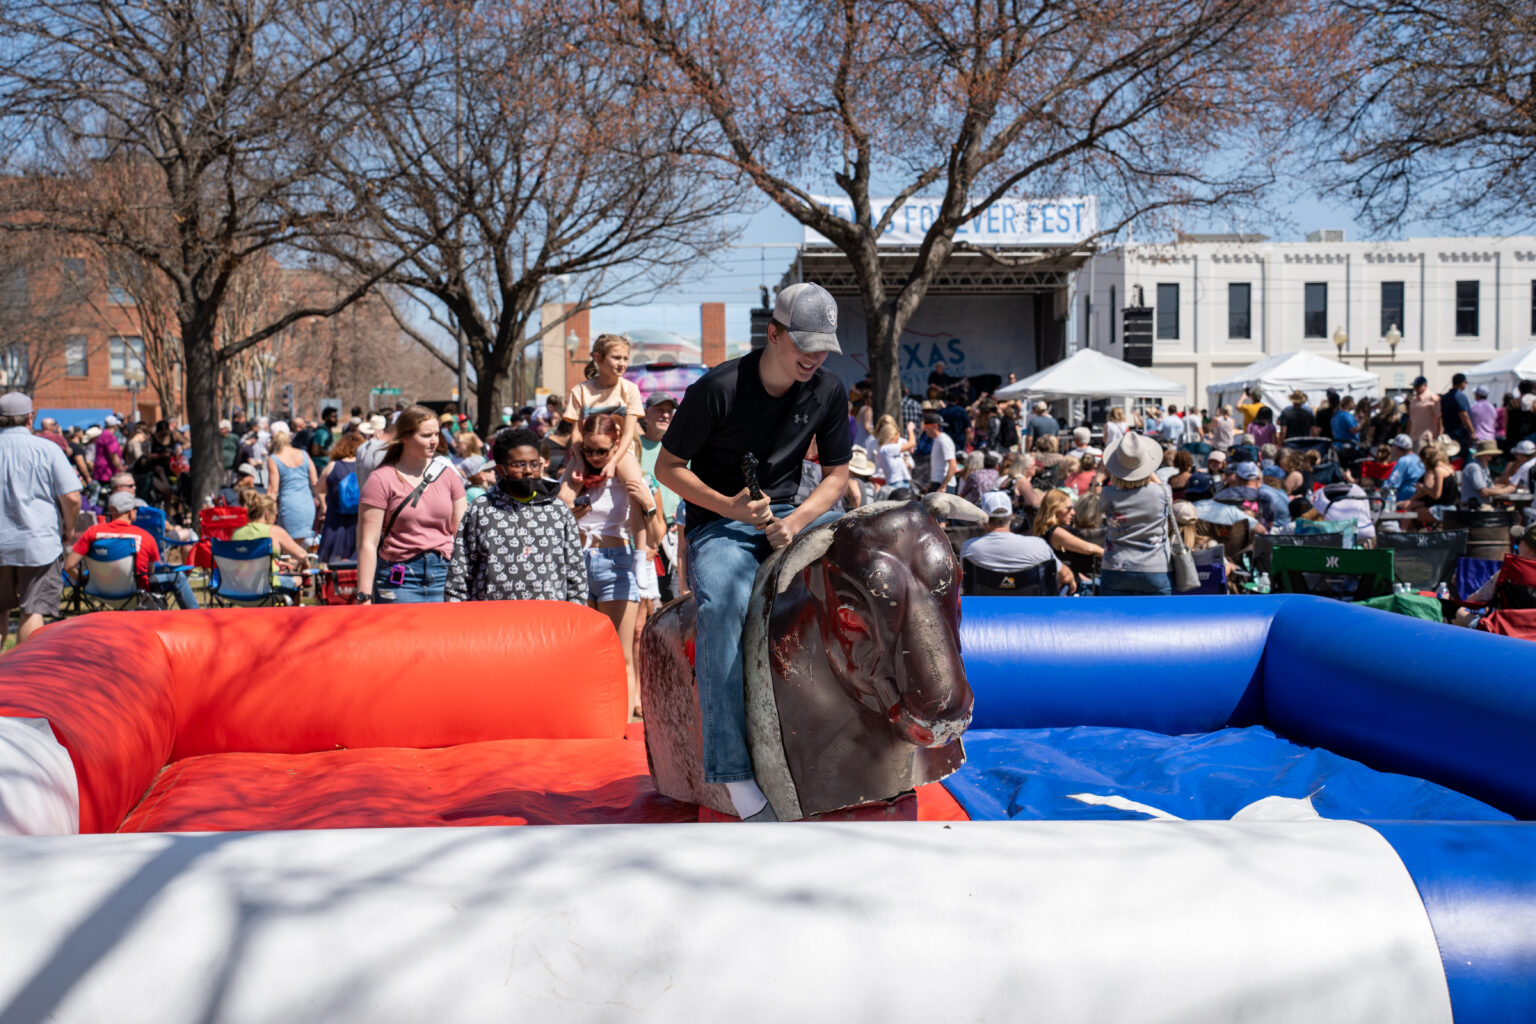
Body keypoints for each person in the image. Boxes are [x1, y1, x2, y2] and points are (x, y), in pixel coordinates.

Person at [653, 280, 851, 822]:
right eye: (805, 344)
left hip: (793, 516)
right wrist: (731, 509)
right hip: (722, 525)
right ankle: (732, 771)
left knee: (872, 559)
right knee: (723, 606)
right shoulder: (716, 388)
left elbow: (836, 476)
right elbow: (665, 469)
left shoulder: (830, 390)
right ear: (773, 334)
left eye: (823, 346)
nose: (815, 357)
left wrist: (798, 518)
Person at [560, 413, 666, 717]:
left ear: (615, 446)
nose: (595, 457)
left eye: (602, 451)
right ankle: (589, 716)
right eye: (588, 450)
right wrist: (577, 463)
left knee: (621, 654)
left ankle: (623, 722)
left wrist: (646, 507)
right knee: (583, 652)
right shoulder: (578, 470)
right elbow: (560, 506)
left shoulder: (626, 471)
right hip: (577, 564)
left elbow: (655, 534)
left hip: (614, 563)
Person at [447, 427, 587, 605]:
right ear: (500, 469)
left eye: (534, 464)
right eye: (519, 464)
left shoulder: (558, 510)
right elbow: (460, 571)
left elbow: (576, 573)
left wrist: (575, 617)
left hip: (548, 622)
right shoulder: (481, 509)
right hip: (492, 623)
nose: (528, 470)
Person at [355, 405, 467, 604]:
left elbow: (461, 536)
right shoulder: (381, 479)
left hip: (444, 574)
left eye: (436, 434)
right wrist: (364, 595)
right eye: (426, 435)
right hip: (399, 577)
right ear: (404, 438)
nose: (434, 441)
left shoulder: (449, 476)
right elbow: (368, 543)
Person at [1, 392, 82, 643]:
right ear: (29, 418)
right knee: (33, 609)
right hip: (39, 542)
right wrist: (69, 528)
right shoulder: (48, 449)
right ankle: (24, 677)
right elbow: (72, 498)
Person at [64, 491, 200, 609]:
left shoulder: (92, 533)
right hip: (136, 594)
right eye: (136, 508)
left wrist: (85, 582)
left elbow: (69, 566)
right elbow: (150, 572)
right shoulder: (145, 537)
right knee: (178, 577)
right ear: (130, 512)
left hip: (101, 592)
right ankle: (196, 617)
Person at [1096, 432, 1173, 596]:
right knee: (1160, 619)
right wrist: (1147, 469)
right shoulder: (1163, 492)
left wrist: (1098, 478)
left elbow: (1093, 505)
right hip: (1156, 568)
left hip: (1116, 567)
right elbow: (1163, 490)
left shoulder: (1108, 493)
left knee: (1114, 619)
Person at [962, 492, 1075, 592]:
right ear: (1011, 516)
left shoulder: (969, 548)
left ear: (983, 518)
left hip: (984, 612)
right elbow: (1066, 576)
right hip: (1034, 612)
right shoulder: (1038, 545)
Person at [266, 423, 320, 547]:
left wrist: (267, 513)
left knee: (289, 549)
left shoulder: (274, 459)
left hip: (289, 507)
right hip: (307, 506)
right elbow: (315, 483)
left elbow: (272, 491)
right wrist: (321, 502)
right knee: (302, 547)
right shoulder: (304, 454)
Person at [316, 431, 363, 564]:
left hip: (335, 522)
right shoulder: (364, 466)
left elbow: (319, 489)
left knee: (332, 563)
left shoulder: (333, 466)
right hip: (359, 521)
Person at [1032, 488, 1105, 562]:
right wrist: (1107, 554)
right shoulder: (1056, 532)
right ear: (1055, 509)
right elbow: (1089, 549)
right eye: (1068, 508)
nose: (1073, 512)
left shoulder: (1048, 530)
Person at [1461, 439, 1514, 508]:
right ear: (1483, 455)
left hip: (1482, 507)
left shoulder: (1484, 468)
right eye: (1491, 455)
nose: (1492, 458)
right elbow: (1483, 492)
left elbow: (1490, 487)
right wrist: (1506, 490)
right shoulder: (1474, 468)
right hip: (1475, 508)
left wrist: (1506, 486)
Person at [874, 415, 916, 499]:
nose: (898, 437)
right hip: (897, 483)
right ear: (891, 436)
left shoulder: (886, 449)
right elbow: (912, 443)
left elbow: (911, 449)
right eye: (897, 435)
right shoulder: (887, 448)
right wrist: (910, 430)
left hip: (899, 482)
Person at [923, 411, 958, 494]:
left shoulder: (943, 440)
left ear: (934, 426)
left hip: (944, 485)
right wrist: (931, 484)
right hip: (938, 483)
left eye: (926, 426)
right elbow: (938, 465)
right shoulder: (937, 440)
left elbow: (953, 465)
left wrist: (943, 486)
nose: (925, 429)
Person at [1383, 434, 1425, 503]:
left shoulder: (1403, 461)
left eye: (1393, 446)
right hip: (1416, 499)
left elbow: (1392, 483)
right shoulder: (1418, 459)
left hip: (1402, 501)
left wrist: (1382, 498)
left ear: (1397, 448)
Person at [1442, 373, 1475, 450]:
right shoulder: (1460, 396)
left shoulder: (1445, 397)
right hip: (1459, 434)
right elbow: (1464, 415)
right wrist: (1472, 432)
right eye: (1465, 382)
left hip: (1448, 433)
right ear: (1462, 383)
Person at [1406, 376, 1441, 443]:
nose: (1415, 388)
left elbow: (1439, 417)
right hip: (1413, 437)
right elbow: (1410, 419)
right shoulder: (1414, 400)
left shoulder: (1432, 398)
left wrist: (1438, 435)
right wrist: (1407, 435)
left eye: (1418, 386)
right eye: (1415, 386)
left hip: (1425, 437)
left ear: (1424, 385)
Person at [310, 406, 339, 473]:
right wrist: (332, 453)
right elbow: (315, 451)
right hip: (320, 466)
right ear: (326, 417)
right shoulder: (322, 432)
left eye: (336, 417)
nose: (336, 419)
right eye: (333, 417)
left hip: (327, 465)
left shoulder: (328, 431)